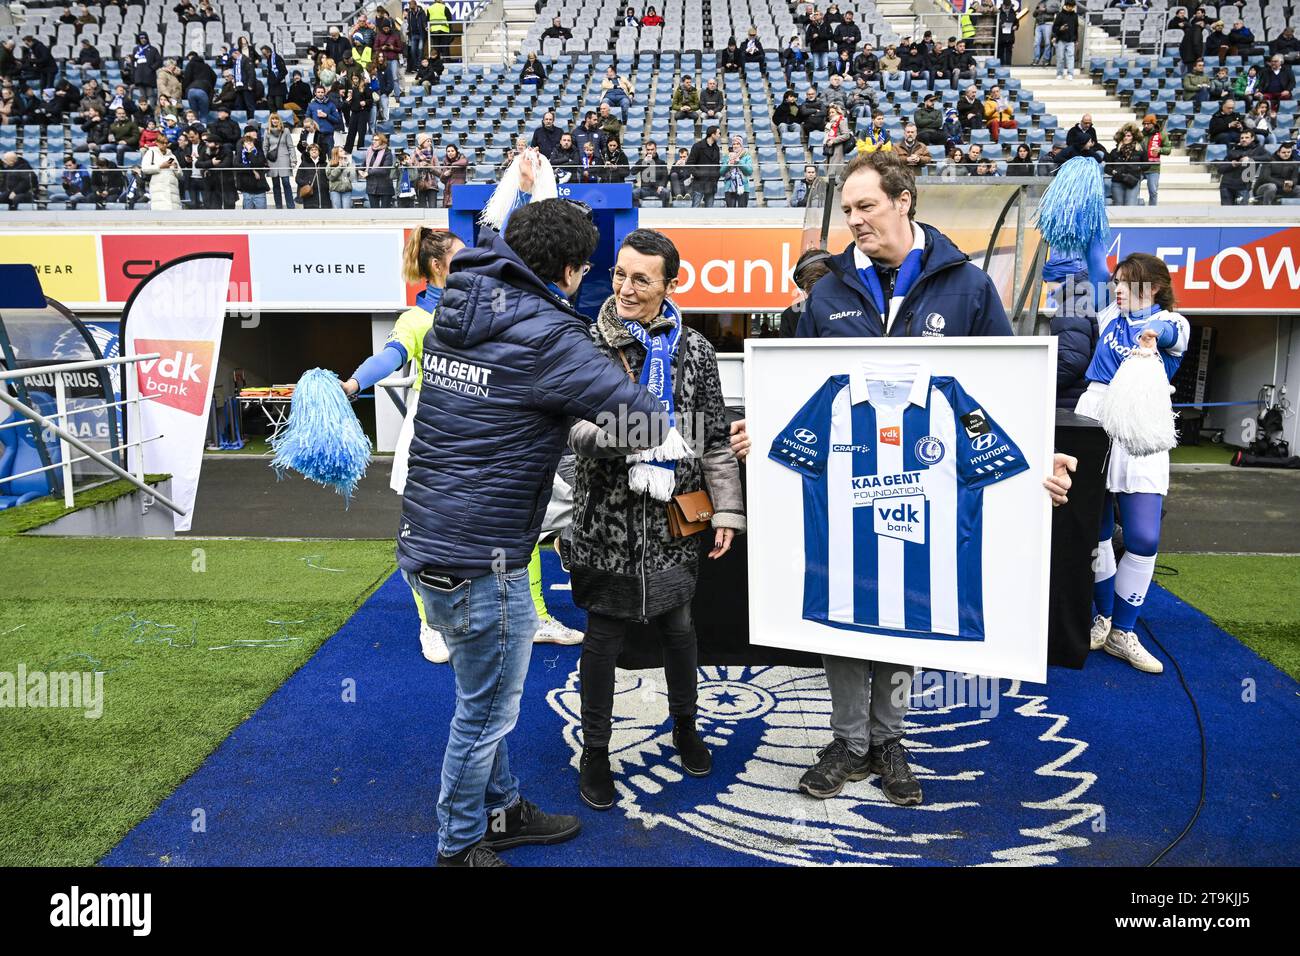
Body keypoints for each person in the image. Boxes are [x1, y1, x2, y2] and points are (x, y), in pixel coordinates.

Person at [726, 150, 1076, 805]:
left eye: (866, 207)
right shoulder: (827, 290)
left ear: (904, 200)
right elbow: (795, 382)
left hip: (932, 487)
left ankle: (888, 740)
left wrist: (1044, 453)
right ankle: (848, 741)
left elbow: (1007, 389)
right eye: (849, 209)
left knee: (908, 606)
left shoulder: (966, 286)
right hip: (846, 485)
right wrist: (761, 429)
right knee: (842, 611)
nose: (854, 220)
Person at [398, 197, 669, 867]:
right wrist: (608, 431)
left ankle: (503, 808)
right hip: (476, 554)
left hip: (452, 544)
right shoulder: (549, 335)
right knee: (484, 712)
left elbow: (510, 405)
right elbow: (646, 423)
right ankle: (459, 843)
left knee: (483, 694)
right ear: (573, 273)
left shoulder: (460, 302)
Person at [565, 229, 744, 811]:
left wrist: (729, 509)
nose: (625, 288)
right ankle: (595, 751)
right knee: (603, 640)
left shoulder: (695, 350)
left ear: (671, 283)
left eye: (641, 278)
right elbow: (573, 432)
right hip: (603, 526)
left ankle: (685, 729)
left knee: (679, 632)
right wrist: (637, 436)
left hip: (674, 523)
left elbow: (714, 439)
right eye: (619, 274)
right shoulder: (586, 343)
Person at [1076, 254, 1189, 674]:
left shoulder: (1174, 323)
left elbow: (1167, 330)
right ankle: (1104, 621)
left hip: (1141, 428)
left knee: (1142, 537)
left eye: (1128, 284)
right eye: (1117, 282)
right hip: (1096, 417)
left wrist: (1150, 332)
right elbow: (1093, 254)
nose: (1117, 290)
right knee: (1097, 529)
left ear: (1154, 288)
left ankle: (1124, 631)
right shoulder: (1110, 315)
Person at [1218, 127, 1270, 203]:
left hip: (1243, 186)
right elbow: (1220, 169)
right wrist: (1232, 165)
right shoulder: (1233, 150)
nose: (1244, 139)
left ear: (1252, 138)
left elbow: (1269, 157)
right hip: (1226, 185)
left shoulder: (1258, 149)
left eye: (1247, 137)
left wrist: (1250, 158)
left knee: (1242, 213)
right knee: (1226, 213)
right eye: (1242, 138)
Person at [264, 112, 295, 209]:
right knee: (275, 184)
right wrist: (264, 161)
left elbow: (290, 146)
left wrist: (293, 159)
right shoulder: (267, 131)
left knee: (286, 182)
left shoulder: (285, 131)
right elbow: (265, 147)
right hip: (272, 161)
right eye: (272, 119)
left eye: (276, 119)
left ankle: (291, 206)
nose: (274, 120)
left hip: (284, 159)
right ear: (270, 120)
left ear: (279, 120)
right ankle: (279, 207)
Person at [1106, 124, 1144, 205]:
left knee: (1130, 206)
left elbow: (1147, 164)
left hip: (1132, 181)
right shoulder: (1114, 151)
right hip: (1117, 181)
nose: (1126, 137)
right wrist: (1113, 172)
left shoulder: (1140, 151)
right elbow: (1107, 167)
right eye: (1124, 136)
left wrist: (1137, 169)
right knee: (1118, 206)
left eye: (1128, 136)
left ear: (1133, 137)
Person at [142, 135, 182, 209]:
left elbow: (180, 174)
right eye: (162, 143)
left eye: (166, 143)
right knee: (160, 213)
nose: (164, 145)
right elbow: (145, 168)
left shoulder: (172, 156)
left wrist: (175, 167)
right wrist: (160, 166)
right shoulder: (151, 153)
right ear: (157, 142)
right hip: (158, 189)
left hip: (173, 190)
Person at [1254, 140, 1299, 204]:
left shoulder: (1294, 163)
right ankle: (1266, 210)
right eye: (1284, 152)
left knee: (1298, 189)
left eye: (1289, 152)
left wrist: (1292, 184)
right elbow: (1265, 178)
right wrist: (1283, 183)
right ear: (1278, 152)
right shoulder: (1269, 160)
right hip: (1263, 187)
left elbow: (1295, 178)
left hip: (1283, 188)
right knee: (1271, 187)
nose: (1286, 154)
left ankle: (1295, 211)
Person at [686, 125, 721, 206]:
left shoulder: (716, 148)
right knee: (695, 207)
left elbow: (717, 165)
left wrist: (716, 176)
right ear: (713, 134)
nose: (719, 136)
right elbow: (690, 164)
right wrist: (699, 174)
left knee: (709, 210)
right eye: (718, 133)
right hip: (699, 183)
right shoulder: (697, 146)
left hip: (712, 183)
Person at [630, 141, 671, 206]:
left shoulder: (661, 162)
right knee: (634, 192)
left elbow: (665, 176)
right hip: (644, 189)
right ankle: (637, 213)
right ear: (646, 150)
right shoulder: (641, 161)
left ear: (655, 149)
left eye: (652, 149)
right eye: (648, 150)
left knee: (666, 192)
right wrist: (644, 162)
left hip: (657, 189)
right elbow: (632, 172)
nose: (650, 151)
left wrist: (661, 186)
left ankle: (664, 213)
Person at [720, 133, 753, 206]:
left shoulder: (747, 156)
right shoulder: (727, 156)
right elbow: (721, 172)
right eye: (734, 144)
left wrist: (739, 162)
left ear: (741, 145)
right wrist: (728, 164)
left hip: (743, 187)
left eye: (738, 144)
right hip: (729, 188)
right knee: (731, 212)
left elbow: (749, 172)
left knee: (742, 213)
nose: (735, 145)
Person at [364, 132, 395, 207]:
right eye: (373, 139)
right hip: (371, 187)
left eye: (376, 140)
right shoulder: (369, 151)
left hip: (385, 187)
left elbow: (385, 170)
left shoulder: (388, 153)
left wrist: (369, 172)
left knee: (385, 213)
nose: (373, 141)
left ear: (382, 141)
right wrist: (360, 171)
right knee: (374, 213)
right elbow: (363, 165)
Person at [295, 140, 330, 207]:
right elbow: (298, 178)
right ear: (309, 152)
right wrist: (307, 184)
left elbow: (329, 177)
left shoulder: (324, 164)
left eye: (316, 149)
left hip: (324, 195)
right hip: (309, 195)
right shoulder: (304, 164)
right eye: (312, 150)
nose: (314, 151)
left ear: (319, 152)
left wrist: (326, 184)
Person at [1053, 0, 1080, 78]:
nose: (1071, 8)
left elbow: (1076, 28)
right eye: (1070, 6)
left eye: (1072, 6)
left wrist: (1076, 39)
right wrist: (1060, 29)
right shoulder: (1060, 15)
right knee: (1060, 58)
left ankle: (1070, 74)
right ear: (1066, 5)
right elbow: (1054, 28)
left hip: (1071, 39)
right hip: (1060, 39)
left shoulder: (1075, 16)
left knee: (1071, 57)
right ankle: (1059, 73)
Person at [438, 143, 468, 207]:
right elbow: (442, 180)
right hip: (447, 192)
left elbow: (465, 162)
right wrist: (445, 175)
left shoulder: (461, 157)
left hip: (457, 190)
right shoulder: (445, 161)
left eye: (452, 151)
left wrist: (452, 165)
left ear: (456, 151)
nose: (450, 153)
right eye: (448, 151)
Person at [1032, 0, 1059, 66]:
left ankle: (1046, 59)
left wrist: (1046, 9)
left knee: (1047, 42)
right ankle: (1036, 59)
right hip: (1038, 24)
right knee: (1036, 43)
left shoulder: (1053, 1)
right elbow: (1034, 14)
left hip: (1048, 23)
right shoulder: (1040, 2)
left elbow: (1057, 9)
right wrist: (1037, 10)